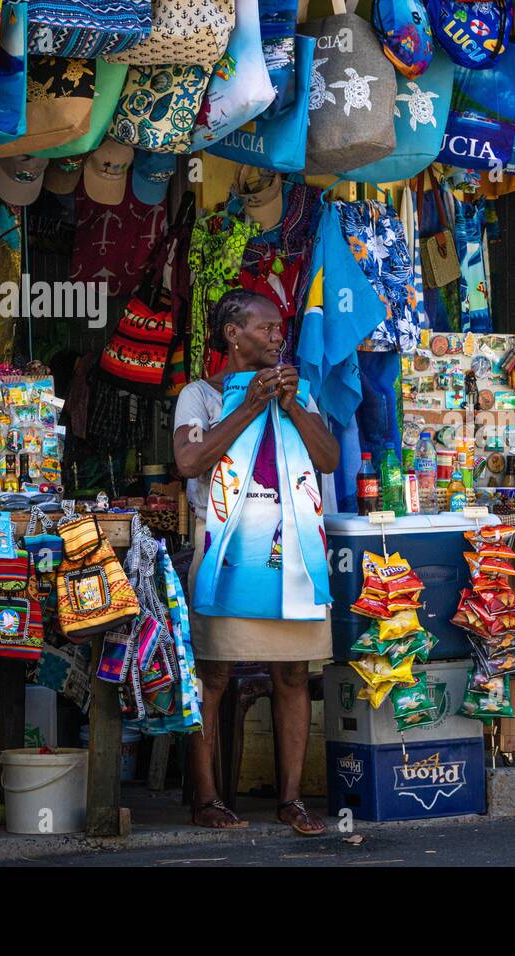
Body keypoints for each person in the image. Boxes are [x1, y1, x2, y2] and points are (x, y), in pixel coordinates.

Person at [173, 290, 340, 835]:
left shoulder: (299, 395)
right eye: (266, 329)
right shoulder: (200, 396)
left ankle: (291, 800)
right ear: (232, 334)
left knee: (292, 674)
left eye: (279, 329)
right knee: (213, 674)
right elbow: (190, 460)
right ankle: (207, 799)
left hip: (292, 553)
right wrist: (248, 407)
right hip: (225, 550)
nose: (277, 337)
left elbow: (329, 459)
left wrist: (290, 405)